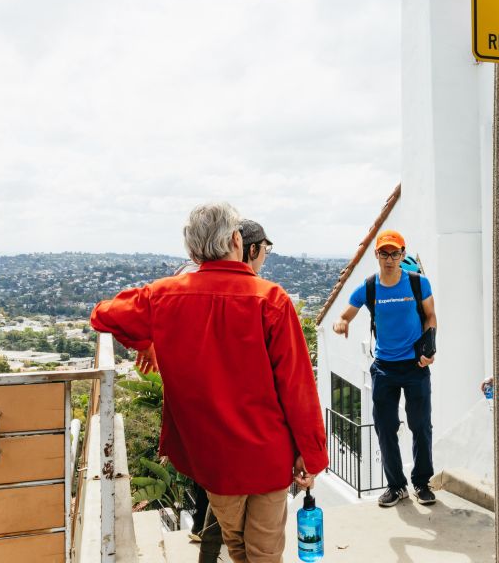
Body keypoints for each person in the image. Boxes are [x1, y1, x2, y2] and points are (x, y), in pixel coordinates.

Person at [91, 203, 327, 563]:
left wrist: (145, 342)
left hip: (214, 458)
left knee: (238, 547)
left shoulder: (163, 295)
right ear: (236, 239)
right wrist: (311, 454)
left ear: (192, 250)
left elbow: (103, 315)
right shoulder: (271, 300)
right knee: (264, 552)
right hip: (267, 455)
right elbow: (297, 388)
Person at [331, 229, 438, 507]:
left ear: (402, 255)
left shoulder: (418, 284)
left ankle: (422, 483)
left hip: (415, 366)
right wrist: (341, 324)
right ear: (377, 255)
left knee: (421, 426)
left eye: (394, 253)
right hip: (384, 369)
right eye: (384, 253)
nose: (389, 258)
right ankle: (396, 486)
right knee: (385, 428)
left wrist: (429, 347)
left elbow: (430, 317)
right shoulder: (368, 287)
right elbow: (345, 314)